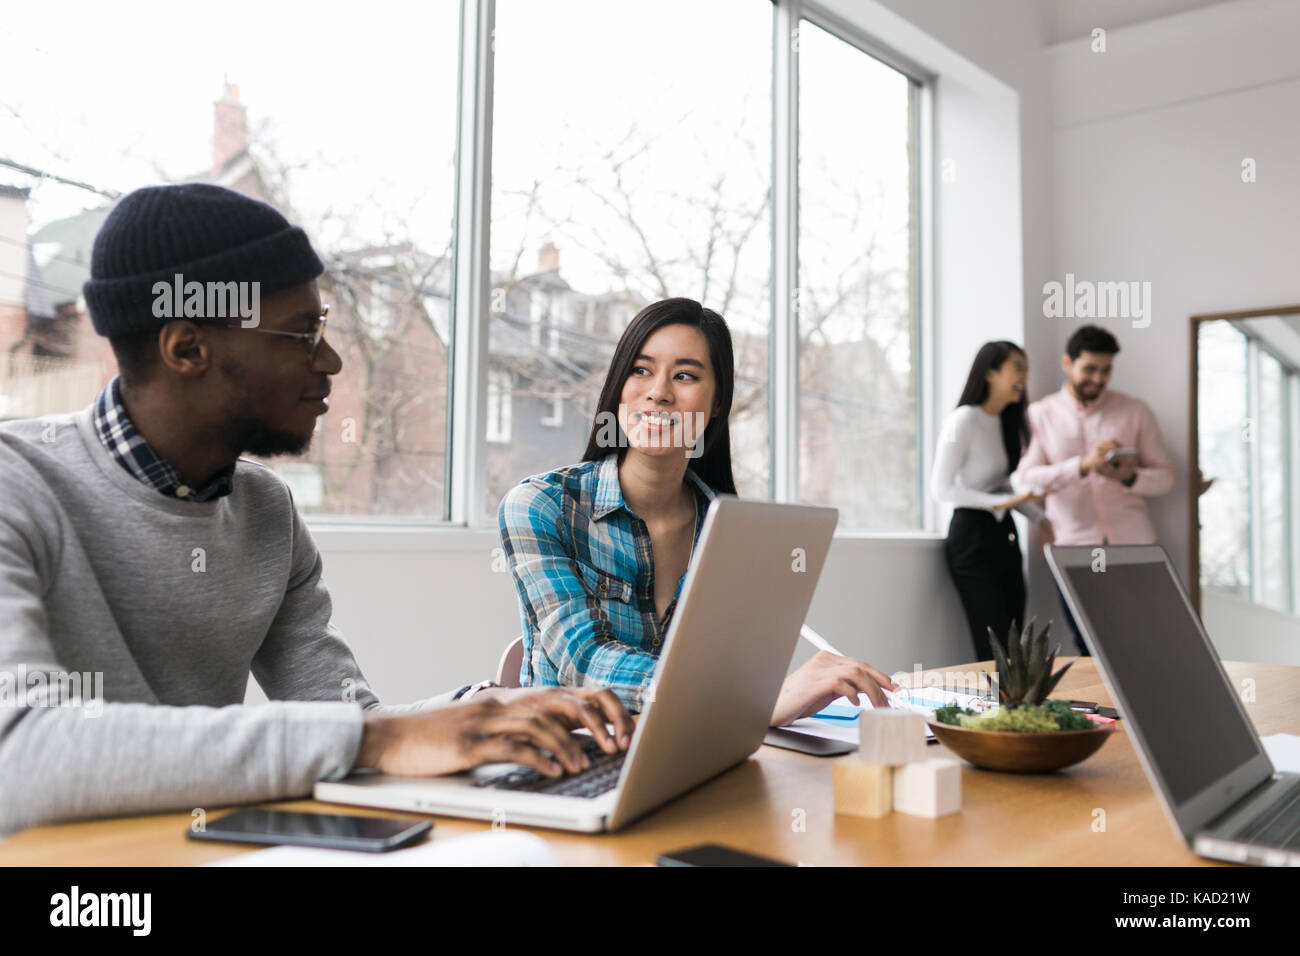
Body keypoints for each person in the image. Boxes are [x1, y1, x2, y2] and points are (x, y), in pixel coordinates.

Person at [0, 184, 633, 836]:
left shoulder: (264, 508)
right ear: (187, 348)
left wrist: (481, 710)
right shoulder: (15, 484)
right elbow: (16, 751)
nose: (330, 360)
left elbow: (343, 714)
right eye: (302, 334)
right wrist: (375, 740)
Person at [497, 297, 898, 726]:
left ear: (718, 404)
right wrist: (748, 702)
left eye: (685, 375)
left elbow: (737, 674)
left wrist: (758, 699)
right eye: (641, 370)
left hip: (687, 755)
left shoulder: (735, 533)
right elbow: (584, 666)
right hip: (570, 764)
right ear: (618, 387)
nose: (659, 392)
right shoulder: (541, 507)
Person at [1012, 324, 1174, 654]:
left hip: (1134, 547)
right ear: (1067, 363)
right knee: (1089, 646)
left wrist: (1129, 477)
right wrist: (1081, 466)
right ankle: (1103, 707)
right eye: (1089, 369)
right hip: (1073, 548)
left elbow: (1166, 478)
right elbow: (1023, 481)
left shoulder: (1135, 411)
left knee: (1139, 641)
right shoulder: (1040, 414)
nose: (1098, 379)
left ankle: (1138, 707)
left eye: (1106, 370)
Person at [931, 341, 1048, 661]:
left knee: (1014, 638)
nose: (1024, 376)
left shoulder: (1008, 422)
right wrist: (1001, 502)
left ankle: (1014, 709)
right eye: (1017, 367)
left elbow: (1002, 487)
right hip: (971, 538)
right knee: (993, 641)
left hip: (1004, 537)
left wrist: (1040, 518)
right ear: (991, 373)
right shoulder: (963, 421)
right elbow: (941, 489)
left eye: (1026, 368)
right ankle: (993, 708)